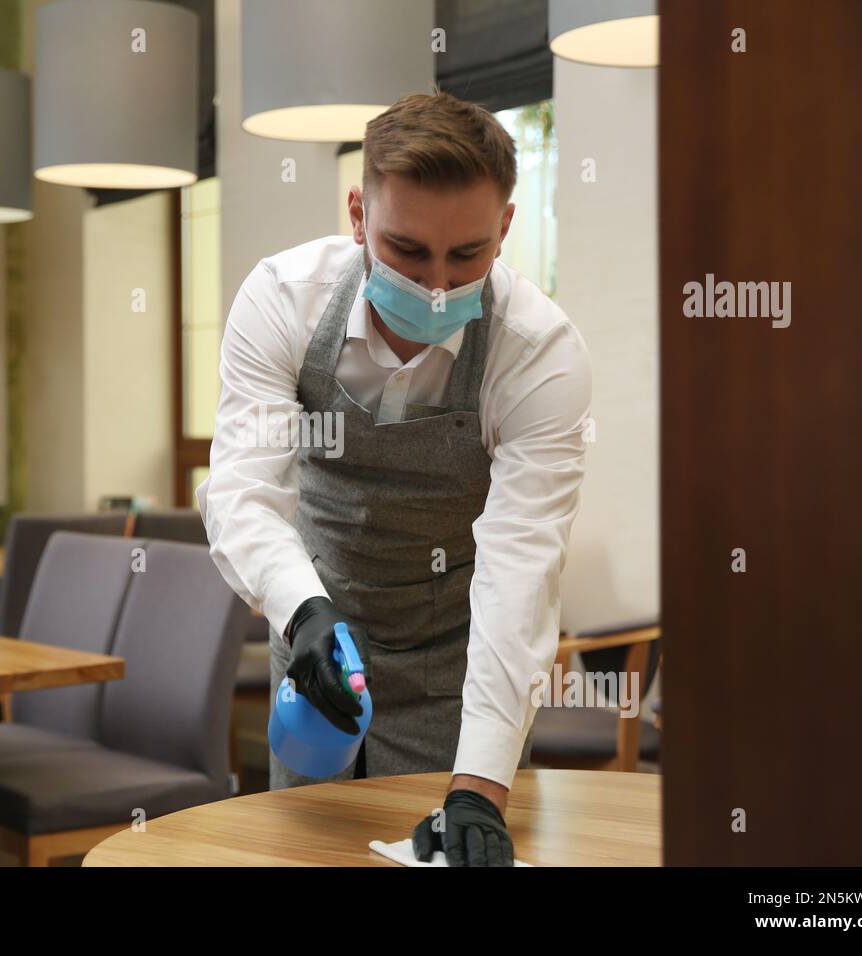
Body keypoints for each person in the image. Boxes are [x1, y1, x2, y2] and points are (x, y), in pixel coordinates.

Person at [197, 91, 591, 866]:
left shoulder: (538, 355)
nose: (437, 287)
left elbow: (520, 572)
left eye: (466, 255)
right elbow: (243, 492)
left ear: (505, 229)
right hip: (316, 644)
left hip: (457, 667)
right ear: (356, 215)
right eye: (408, 252)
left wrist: (480, 788)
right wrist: (304, 612)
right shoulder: (282, 301)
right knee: (308, 855)